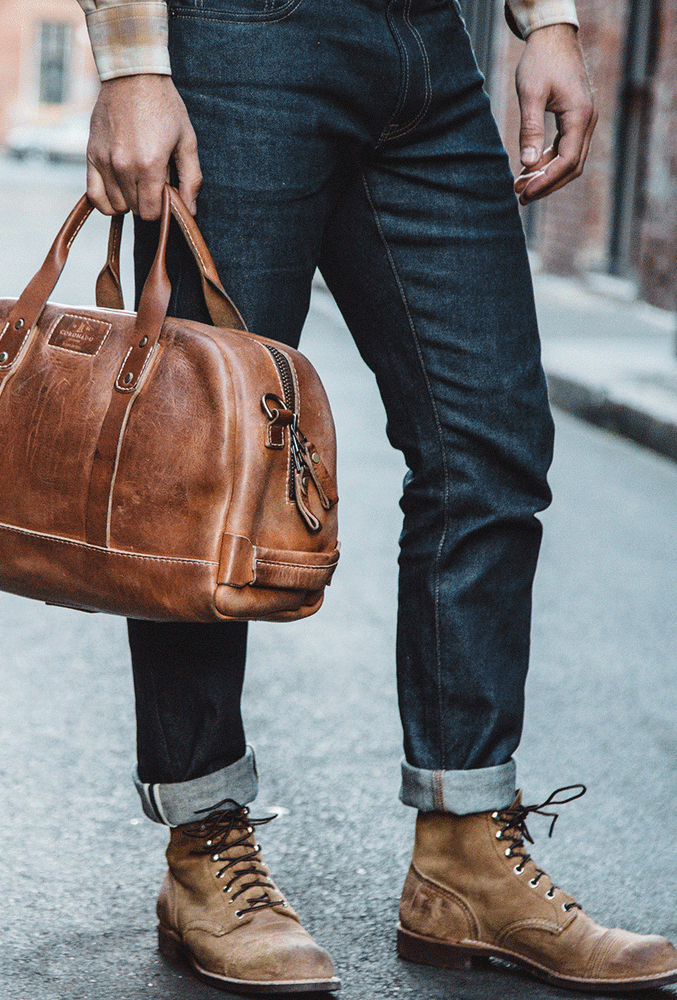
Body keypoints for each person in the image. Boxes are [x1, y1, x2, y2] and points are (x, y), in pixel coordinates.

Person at [75, 0, 677, 993]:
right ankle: (203, 843)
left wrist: (553, 22)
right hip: (240, 43)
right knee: (205, 456)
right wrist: (132, 65)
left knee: (490, 443)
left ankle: (466, 853)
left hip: (428, 51)